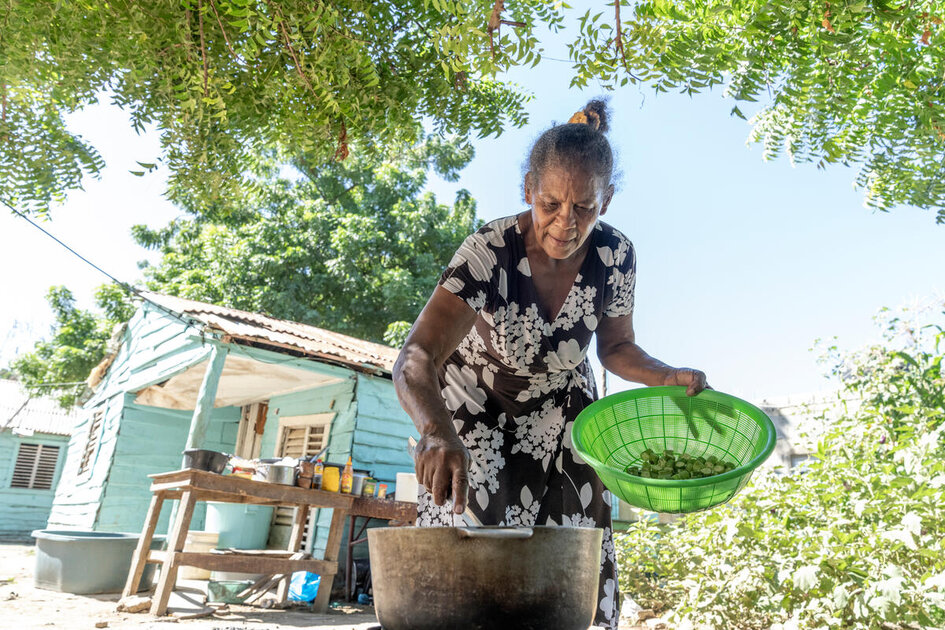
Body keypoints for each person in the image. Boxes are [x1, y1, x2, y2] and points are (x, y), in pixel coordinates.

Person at [392, 99, 708, 629]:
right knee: (474, 535)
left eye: (584, 207)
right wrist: (434, 431)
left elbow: (616, 348)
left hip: (564, 403)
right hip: (474, 402)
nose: (566, 223)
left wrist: (665, 375)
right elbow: (416, 356)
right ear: (527, 190)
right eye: (551, 204)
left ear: (606, 199)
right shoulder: (487, 251)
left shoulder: (616, 256)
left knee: (574, 542)